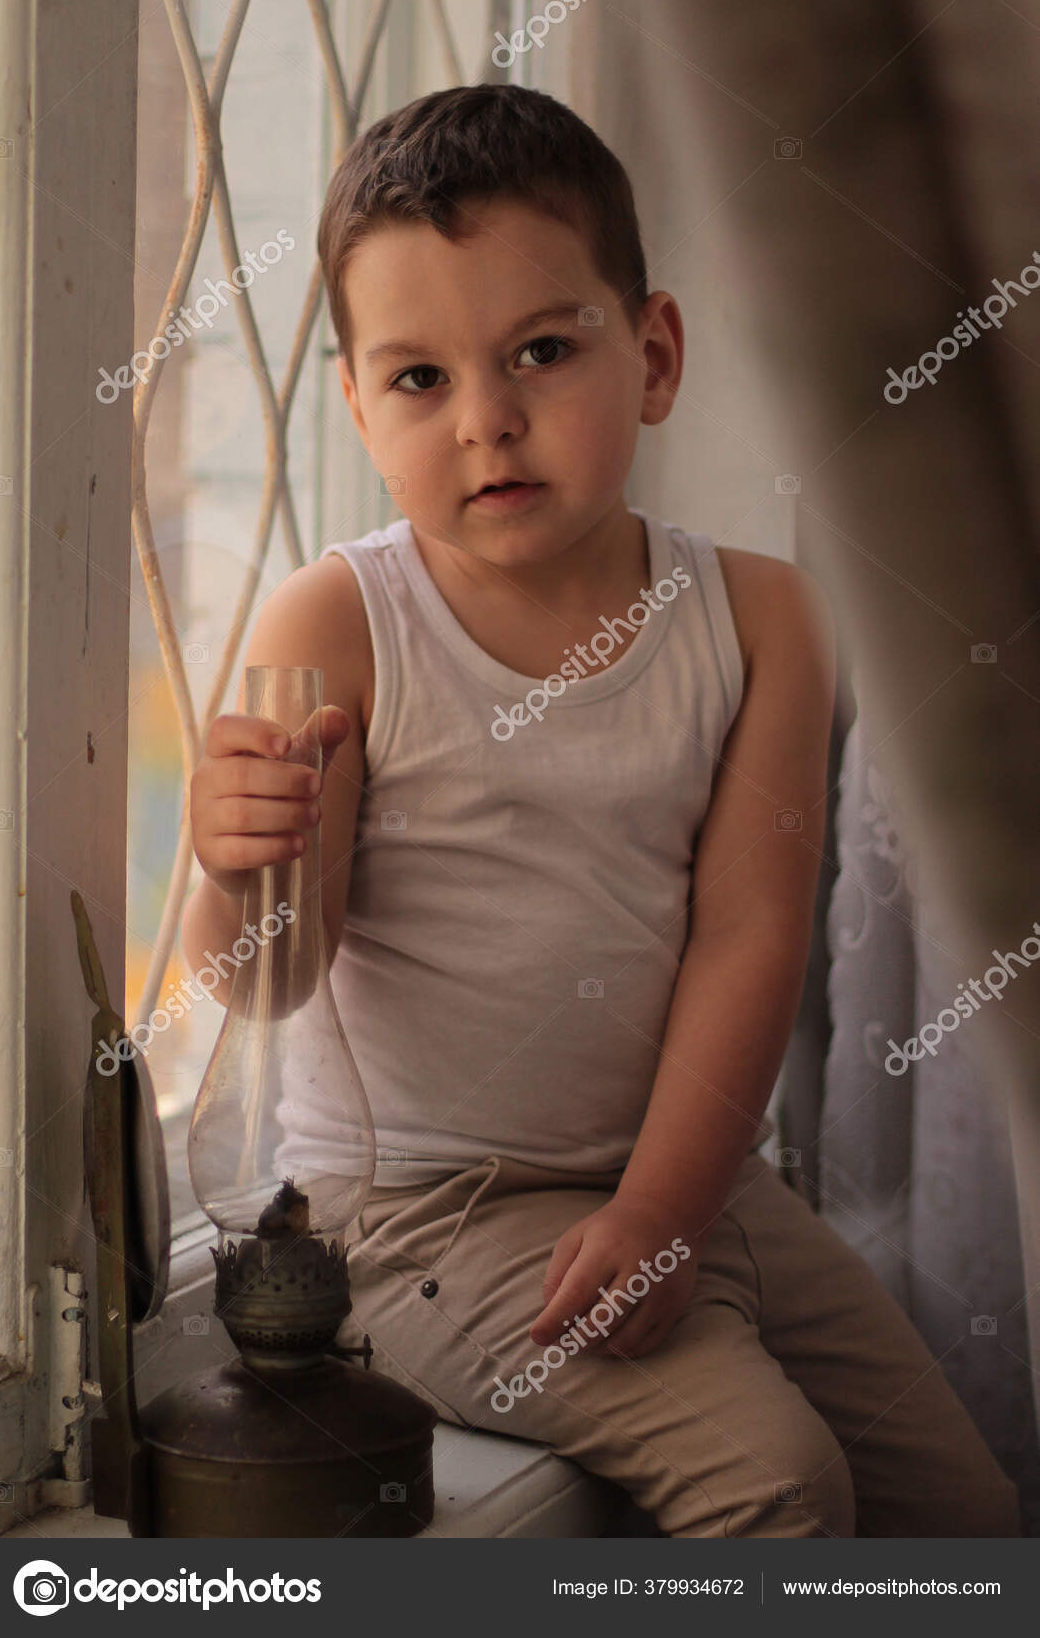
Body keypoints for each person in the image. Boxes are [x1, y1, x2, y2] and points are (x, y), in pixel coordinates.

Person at [184, 84, 1020, 1539]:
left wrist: (662, 1217)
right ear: (356, 406)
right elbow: (269, 978)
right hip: (423, 1229)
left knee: (971, 1517)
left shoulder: (764, 617)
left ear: (655, 354)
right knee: (778, 1488)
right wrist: (227, 864)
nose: (489, 423)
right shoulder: (342, 620)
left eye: (544, 351)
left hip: (693, 1183)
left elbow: (750, 941)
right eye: (421, 380)